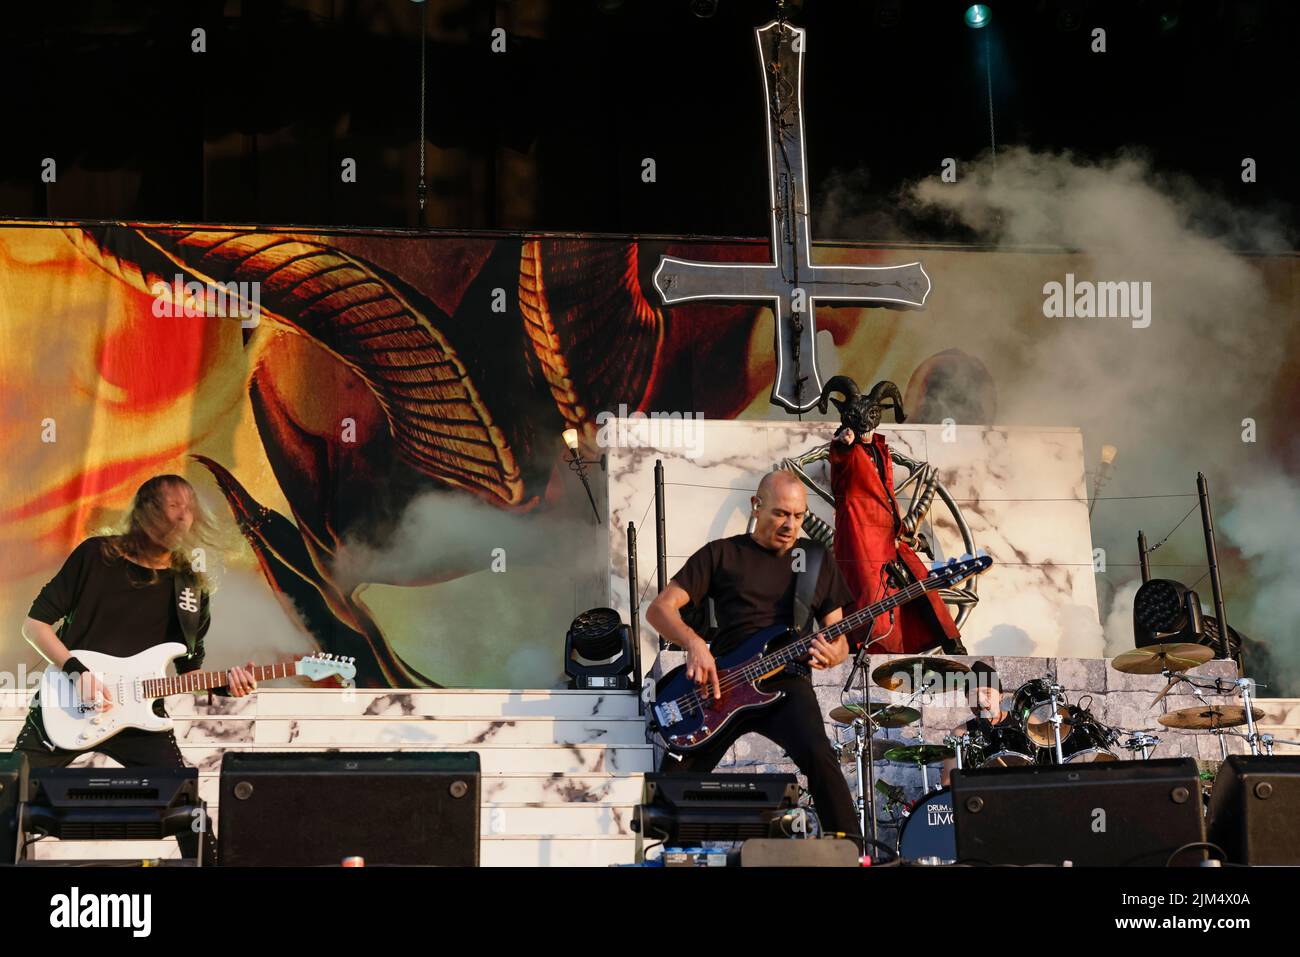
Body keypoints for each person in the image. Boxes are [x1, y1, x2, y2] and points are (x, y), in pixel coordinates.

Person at [14, 474, 256, 865]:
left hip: (141, 721)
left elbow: (188, 674)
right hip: (67, 704)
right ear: (143, 512)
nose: (182, 518)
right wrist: (78, 672)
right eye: (171, 507)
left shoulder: (190, 589)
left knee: (188, 812)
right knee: (9, 794)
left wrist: (227, 686)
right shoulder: (94, 556)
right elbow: (34, 625)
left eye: (188, 509)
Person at [646, 469, 864, 848]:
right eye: (781, 513)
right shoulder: (722, 554)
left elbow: (838, 637)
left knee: (819, 755)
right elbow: (660, 609)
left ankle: (852, 852)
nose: (790, 524)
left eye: (798, 516)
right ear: (756, 506)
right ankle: (668, 854)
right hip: (722, 686)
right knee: (677, 774)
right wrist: (696, 644)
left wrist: (835, 654)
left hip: (787, 682)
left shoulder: (814, 559)